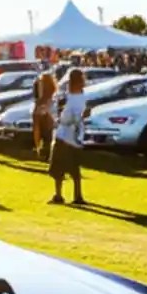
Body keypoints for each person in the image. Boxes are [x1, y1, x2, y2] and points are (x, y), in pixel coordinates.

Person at [48, 68, 88, 205]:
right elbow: (63, 118)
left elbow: (71, 117)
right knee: (62, 169)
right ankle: (62, 195)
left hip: (72, 137)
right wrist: (80, 118)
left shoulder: (79, 97)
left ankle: (75, 196)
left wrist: (82, 118)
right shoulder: (67, 97)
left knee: (72, 169)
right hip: (66, 136)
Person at [32, 73, 57, 159]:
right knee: (48, 133)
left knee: (39, 130)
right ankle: (45, 150)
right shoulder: (52, 94)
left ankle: (39, 148)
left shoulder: (40, 89)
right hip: (46, 113)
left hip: (41, 111)